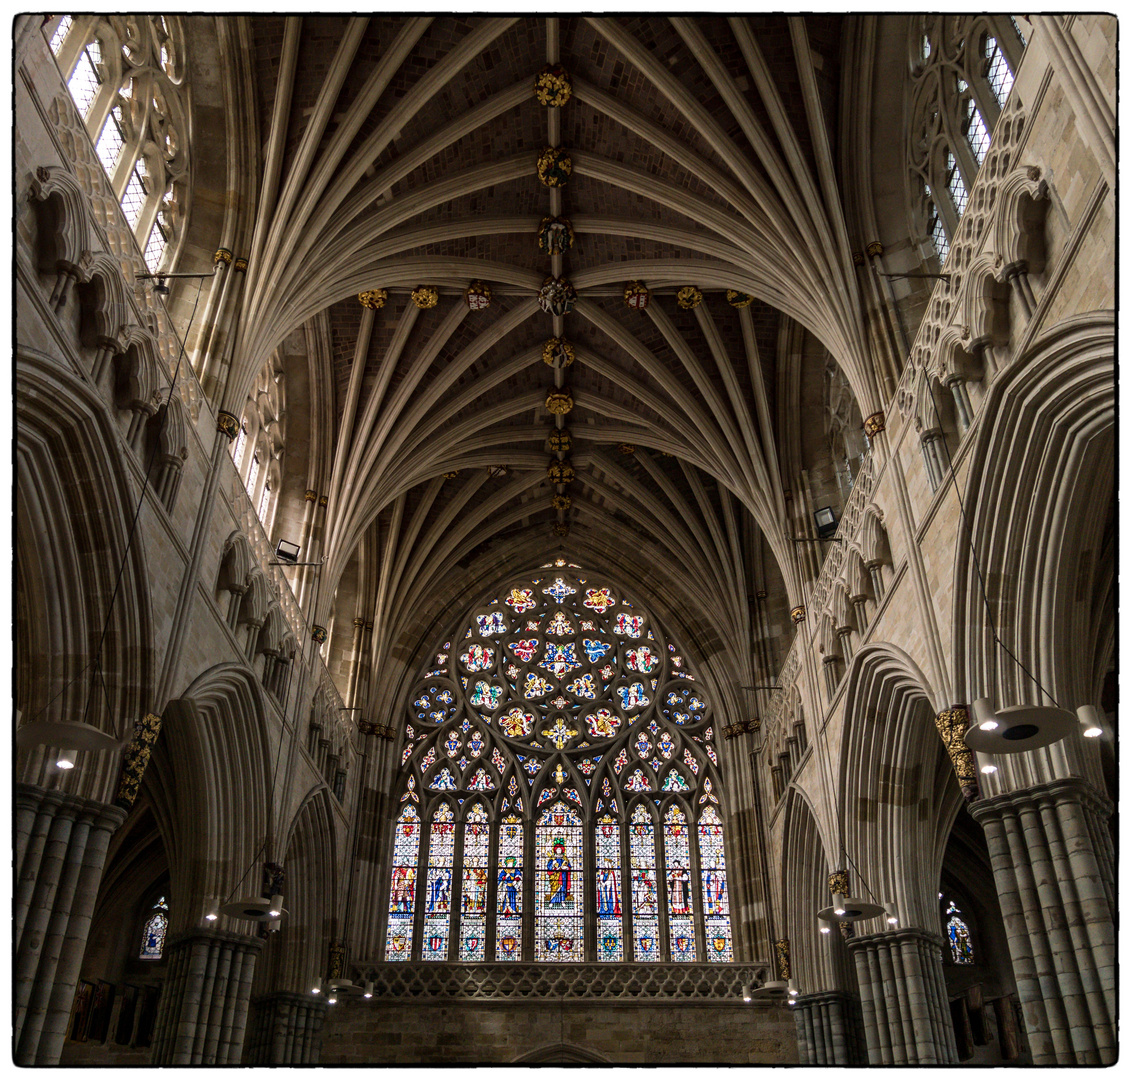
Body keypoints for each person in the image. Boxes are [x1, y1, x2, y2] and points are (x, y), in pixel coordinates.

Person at [545, 839, 572, 908]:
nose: (559, 851)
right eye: (557, 849)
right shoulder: (552, 858)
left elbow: (569, 866)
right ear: (555, 850)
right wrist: (553, 865)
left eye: (560, 849)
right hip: (555, 876)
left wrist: (566, 868)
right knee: (554, 889)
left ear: (562, 850)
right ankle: (552, 901)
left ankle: (562, 901)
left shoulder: (565, 858)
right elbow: (549, 867)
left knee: (562, 889)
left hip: (563, 876)